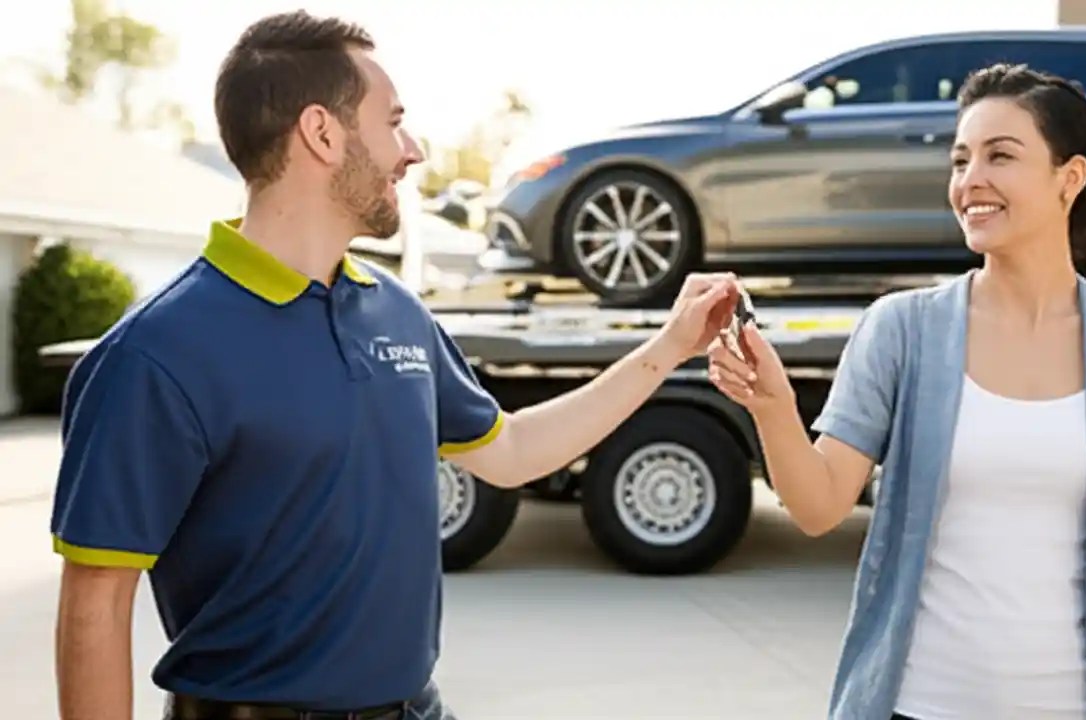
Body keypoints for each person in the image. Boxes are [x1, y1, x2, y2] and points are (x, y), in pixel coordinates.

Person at [50, 10, 739, 720]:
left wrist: (669, 348)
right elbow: (94, 604)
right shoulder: (155, 354)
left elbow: (511, 450)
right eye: (393, 122)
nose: (412, 150)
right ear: (322, 133)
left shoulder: (398, 313)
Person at [708, 63, 1086, 720]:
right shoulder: (902, 330)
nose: (969, 180)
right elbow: (817, 507)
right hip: (919, 705)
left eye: (1000, 155)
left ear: (1070, 177)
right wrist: (772, 407)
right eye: (960, 159)